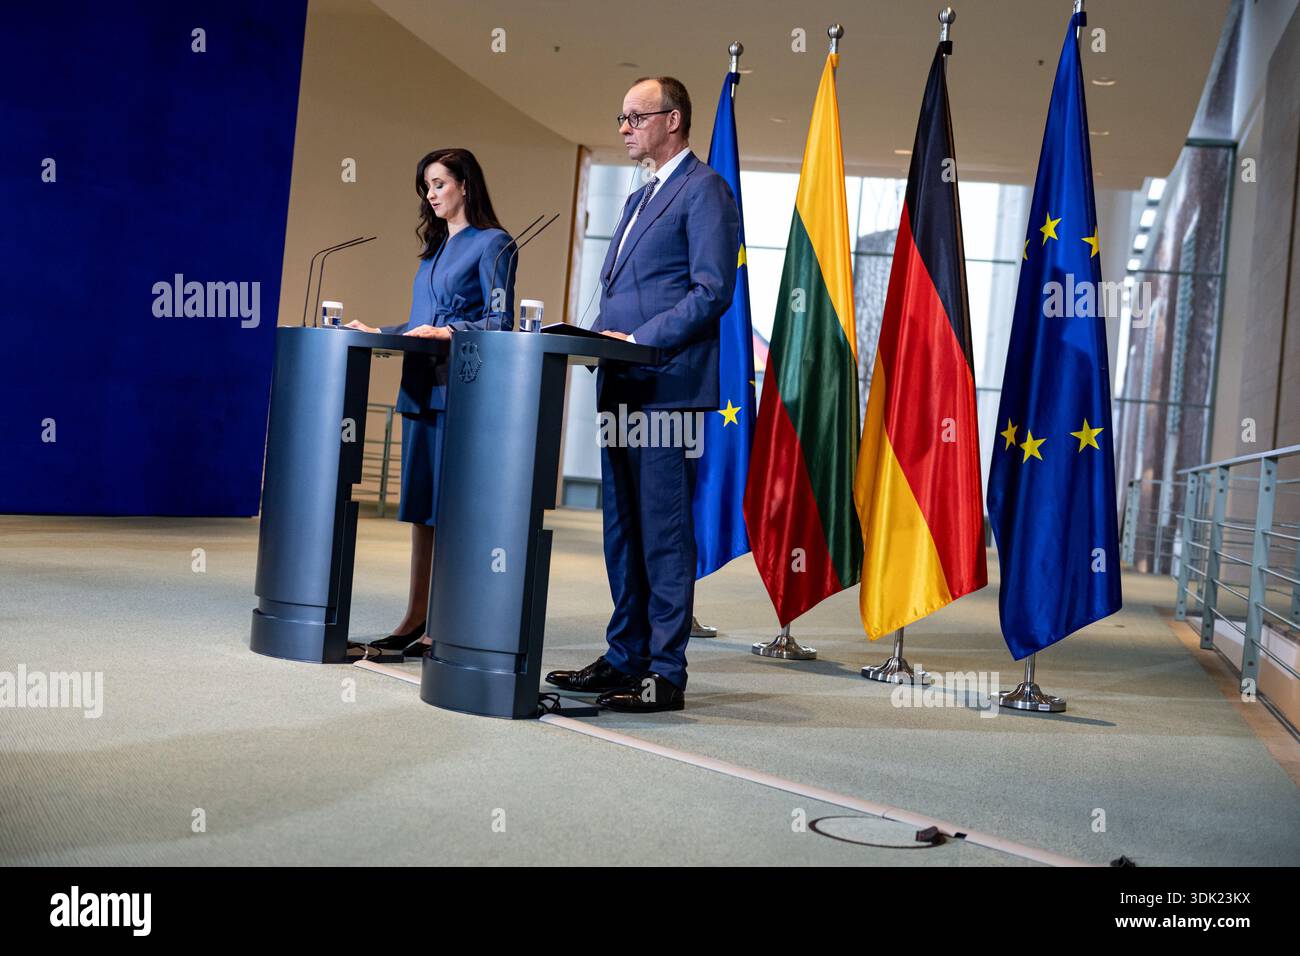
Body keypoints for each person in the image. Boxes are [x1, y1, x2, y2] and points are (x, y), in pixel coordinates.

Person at [545, 76, 739, 711]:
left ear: (673, 119)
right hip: (622, 383)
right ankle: (625, 656)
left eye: (635, 116)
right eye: (621, 116)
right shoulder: (636, 200)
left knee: (662, 529)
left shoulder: (704, 189)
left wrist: (638, 341)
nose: (623, 126)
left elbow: (712, 292)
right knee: (622, 527)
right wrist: (599, 338)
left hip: (665, 387)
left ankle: (664, 672)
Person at [345, 148, 515, 656]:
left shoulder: (494, 245)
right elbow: (421, 320)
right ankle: (416, 615)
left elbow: (500, 323)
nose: (431, 194)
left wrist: (452, 330)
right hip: (418, 389)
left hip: (457, 394)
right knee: (421, 511)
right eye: (426, 186)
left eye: (439, 183)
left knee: (450, 512)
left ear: (465, 184)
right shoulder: (435, 250)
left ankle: (446, 620)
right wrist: (380, 331)